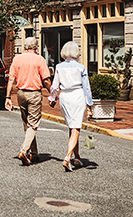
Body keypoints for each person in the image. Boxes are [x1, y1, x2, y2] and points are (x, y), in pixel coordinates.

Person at [5, 36, 52, 165]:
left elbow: (11, 79)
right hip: (34, 94)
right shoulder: (39, 60)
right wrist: (52, 93)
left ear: (25, 46)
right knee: (33, 124)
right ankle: (24, 150)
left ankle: (34, 154)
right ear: (36, 47)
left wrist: (8, 97)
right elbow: (46, 80)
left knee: (27, 123)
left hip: (21, 94)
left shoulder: (17, 59)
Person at [48, 41, 94, 172]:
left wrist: (53, 98)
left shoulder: (58, 66)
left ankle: (77, 156)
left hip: (65, 96)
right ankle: (68, 157)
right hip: (77, 95)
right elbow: (86, 88)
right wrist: (89, 105)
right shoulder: (81, 67)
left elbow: (54, 86)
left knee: (72, 127)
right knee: (76, 128)